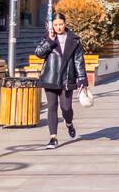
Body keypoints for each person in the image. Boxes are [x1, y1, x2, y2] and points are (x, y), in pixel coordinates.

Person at [35, 11, 88, 149]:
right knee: (52, 107)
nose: (59, 27)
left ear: (65, 24)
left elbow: (78, 61)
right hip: (50, 78)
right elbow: (39, 53)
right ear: (52, 25)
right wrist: (50, 41)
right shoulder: (48, 37)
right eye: (56, 25)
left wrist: (82, 80)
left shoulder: (74, 40)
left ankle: (69, 123)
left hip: (67, 79)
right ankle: (53, 138)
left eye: (61, 24)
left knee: (66, 108)